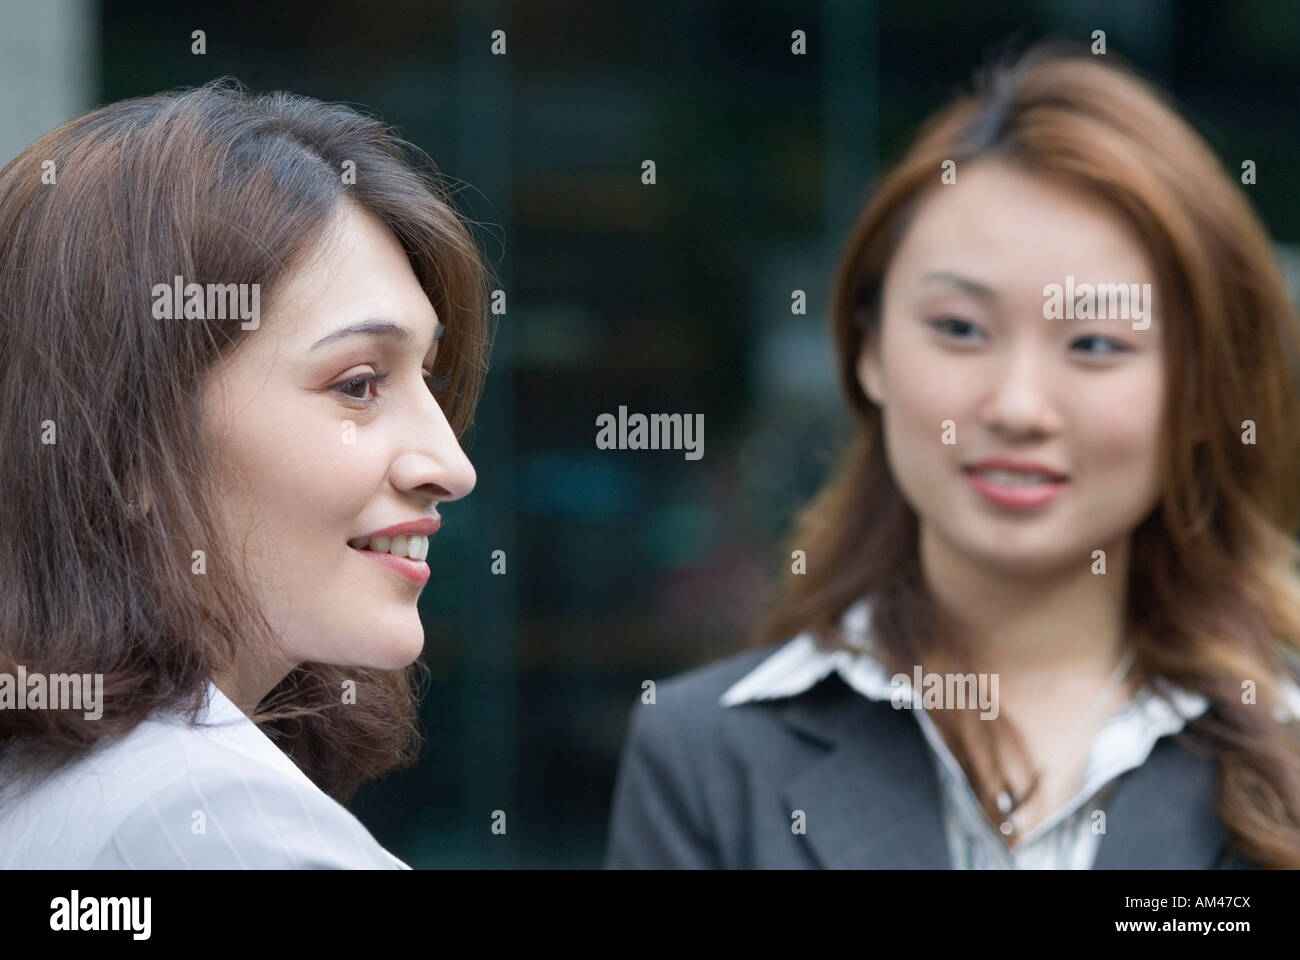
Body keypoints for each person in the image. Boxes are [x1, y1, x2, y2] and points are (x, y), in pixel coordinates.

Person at [606, 41, 1300, 869]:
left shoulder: (1283, 747)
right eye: (960, 329)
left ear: (1199, 391)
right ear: (868, 350)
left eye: (1095, 342)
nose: (1015, 407)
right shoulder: (708, 757)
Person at [0, 79, 494, 868]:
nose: (450, 467)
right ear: (129, 445)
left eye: (429, 379)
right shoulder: (209, 820)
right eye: (359, 384)